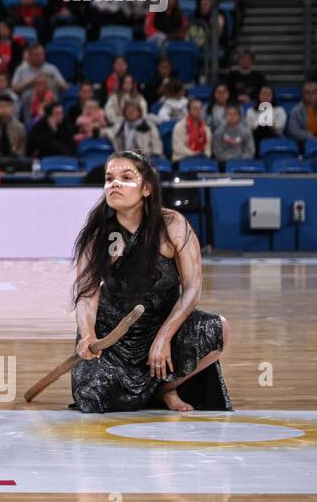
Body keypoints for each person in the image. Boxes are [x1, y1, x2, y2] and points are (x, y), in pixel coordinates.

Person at [69, 151, 230, 412]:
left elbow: (192, 289)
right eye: (109, 178)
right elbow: (86, 294)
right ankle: (149, 389)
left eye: (126, 177)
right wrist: (88, 334)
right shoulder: (98, 234)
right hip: (112, 335)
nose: (114, 184)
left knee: (218, 329)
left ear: (146, 189)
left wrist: (164, 337)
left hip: (164, 325)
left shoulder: (173, 225)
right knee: (94, 398)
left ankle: (166, 388)